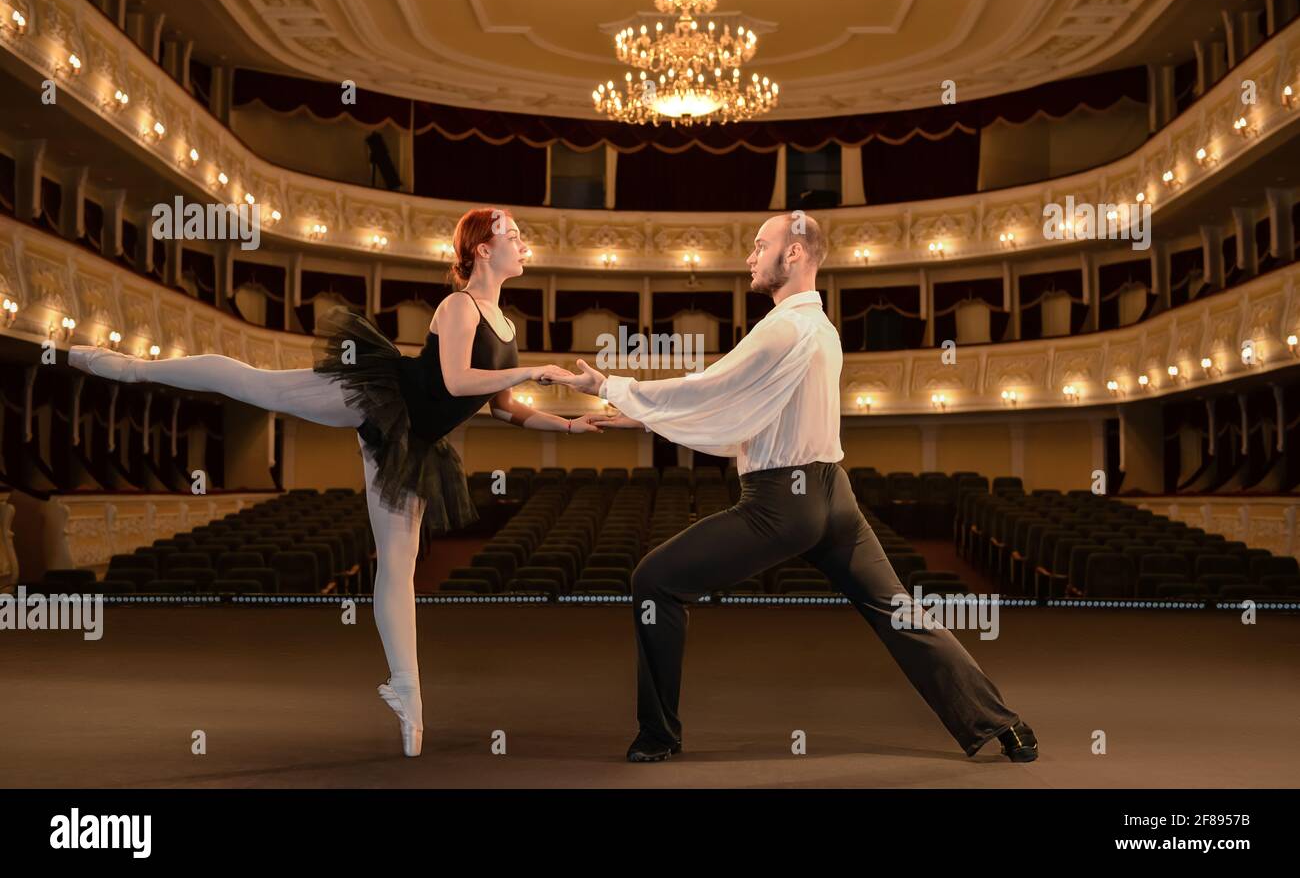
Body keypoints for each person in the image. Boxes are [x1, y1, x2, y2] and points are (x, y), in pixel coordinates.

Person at [69, 207, 608, 758]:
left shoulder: (507, 324)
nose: (523, 244)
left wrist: (567, 424)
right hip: (378, 395)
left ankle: (407, 694)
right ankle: (131, 368)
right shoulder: (458, 306)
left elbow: (502, 406)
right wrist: (531, 370)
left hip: (409, 443)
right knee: (258, 386)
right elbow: (454, 379)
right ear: (481, 250)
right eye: (512, 235)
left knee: (399, 567)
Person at [551, 212, 1038, 764]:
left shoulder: (781, 326)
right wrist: (643, 418)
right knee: (901, 614)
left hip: (783, 503)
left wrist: (609, 385)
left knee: (654, 581)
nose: (750, 257)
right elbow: (749, 405)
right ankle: (1006, 725)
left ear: (796, 255)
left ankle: (659, 735)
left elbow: (714, 386)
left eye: (761, 246)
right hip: (836, 498)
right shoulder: (822, 329)